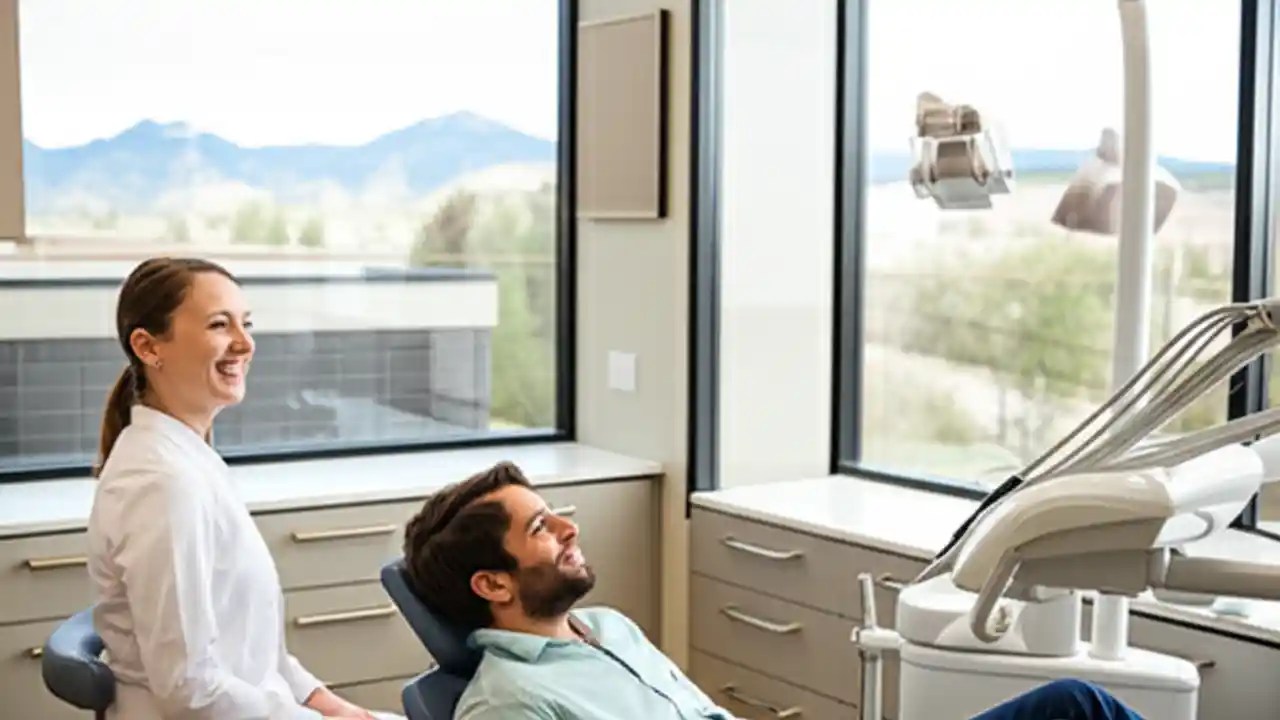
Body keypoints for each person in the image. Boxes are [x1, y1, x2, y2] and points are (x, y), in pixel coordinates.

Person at [402, 461, 1148, 720]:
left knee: (1073, 705)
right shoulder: (509, 703)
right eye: (539, 528)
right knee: (1075, 712)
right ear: (492, 582)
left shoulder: (609, 628)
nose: (568, 526)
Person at [86, 257, 397, 720]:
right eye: (218, 324)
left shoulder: (190, 460)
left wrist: (338, 709)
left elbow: (253, 654)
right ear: (149, 347)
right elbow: (189, 690)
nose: (245, 343)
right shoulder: (162, 484)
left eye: (246, 324)